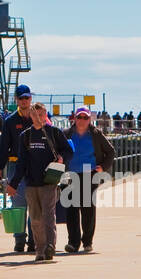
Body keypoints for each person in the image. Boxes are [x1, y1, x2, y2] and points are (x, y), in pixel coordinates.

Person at [7, 103, 73, 261]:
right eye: (35, 114)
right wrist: (13, 184)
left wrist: (62, 158)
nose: (38, 117)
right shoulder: (26, 136)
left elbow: (68, 150)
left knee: (49, 216)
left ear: (45, 115)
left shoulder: (54, 132)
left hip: (49, 182)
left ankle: (50, 246)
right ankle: (40, 250)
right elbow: (21, 162)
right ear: (31, 116)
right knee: (35, 218)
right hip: (31, 183)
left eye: (41, 114)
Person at [62, 107, 115, 252]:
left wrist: (103, 167)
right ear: (75, 118)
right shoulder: (66, 134)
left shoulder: (96, 134)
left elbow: (110, 152)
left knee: (87, 209)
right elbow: (58, 151)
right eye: (80, 117)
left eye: (85, 118)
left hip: (89, 174)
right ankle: (73, 243)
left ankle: (87, 242)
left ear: (89, 120)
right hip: (69, 175)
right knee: (71, 210)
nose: (82, 120)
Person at [0, 85, 36, 254]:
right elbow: (4, 146)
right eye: (21, 98)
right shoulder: (10, 121)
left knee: (35, 205)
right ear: (16, 100)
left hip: (35, 166)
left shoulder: (38, 118)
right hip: (15, 166)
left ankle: (34, 240)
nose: (24, 101)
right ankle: (19, 240)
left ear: (30, 98)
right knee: (18, 205)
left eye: (27, 98)